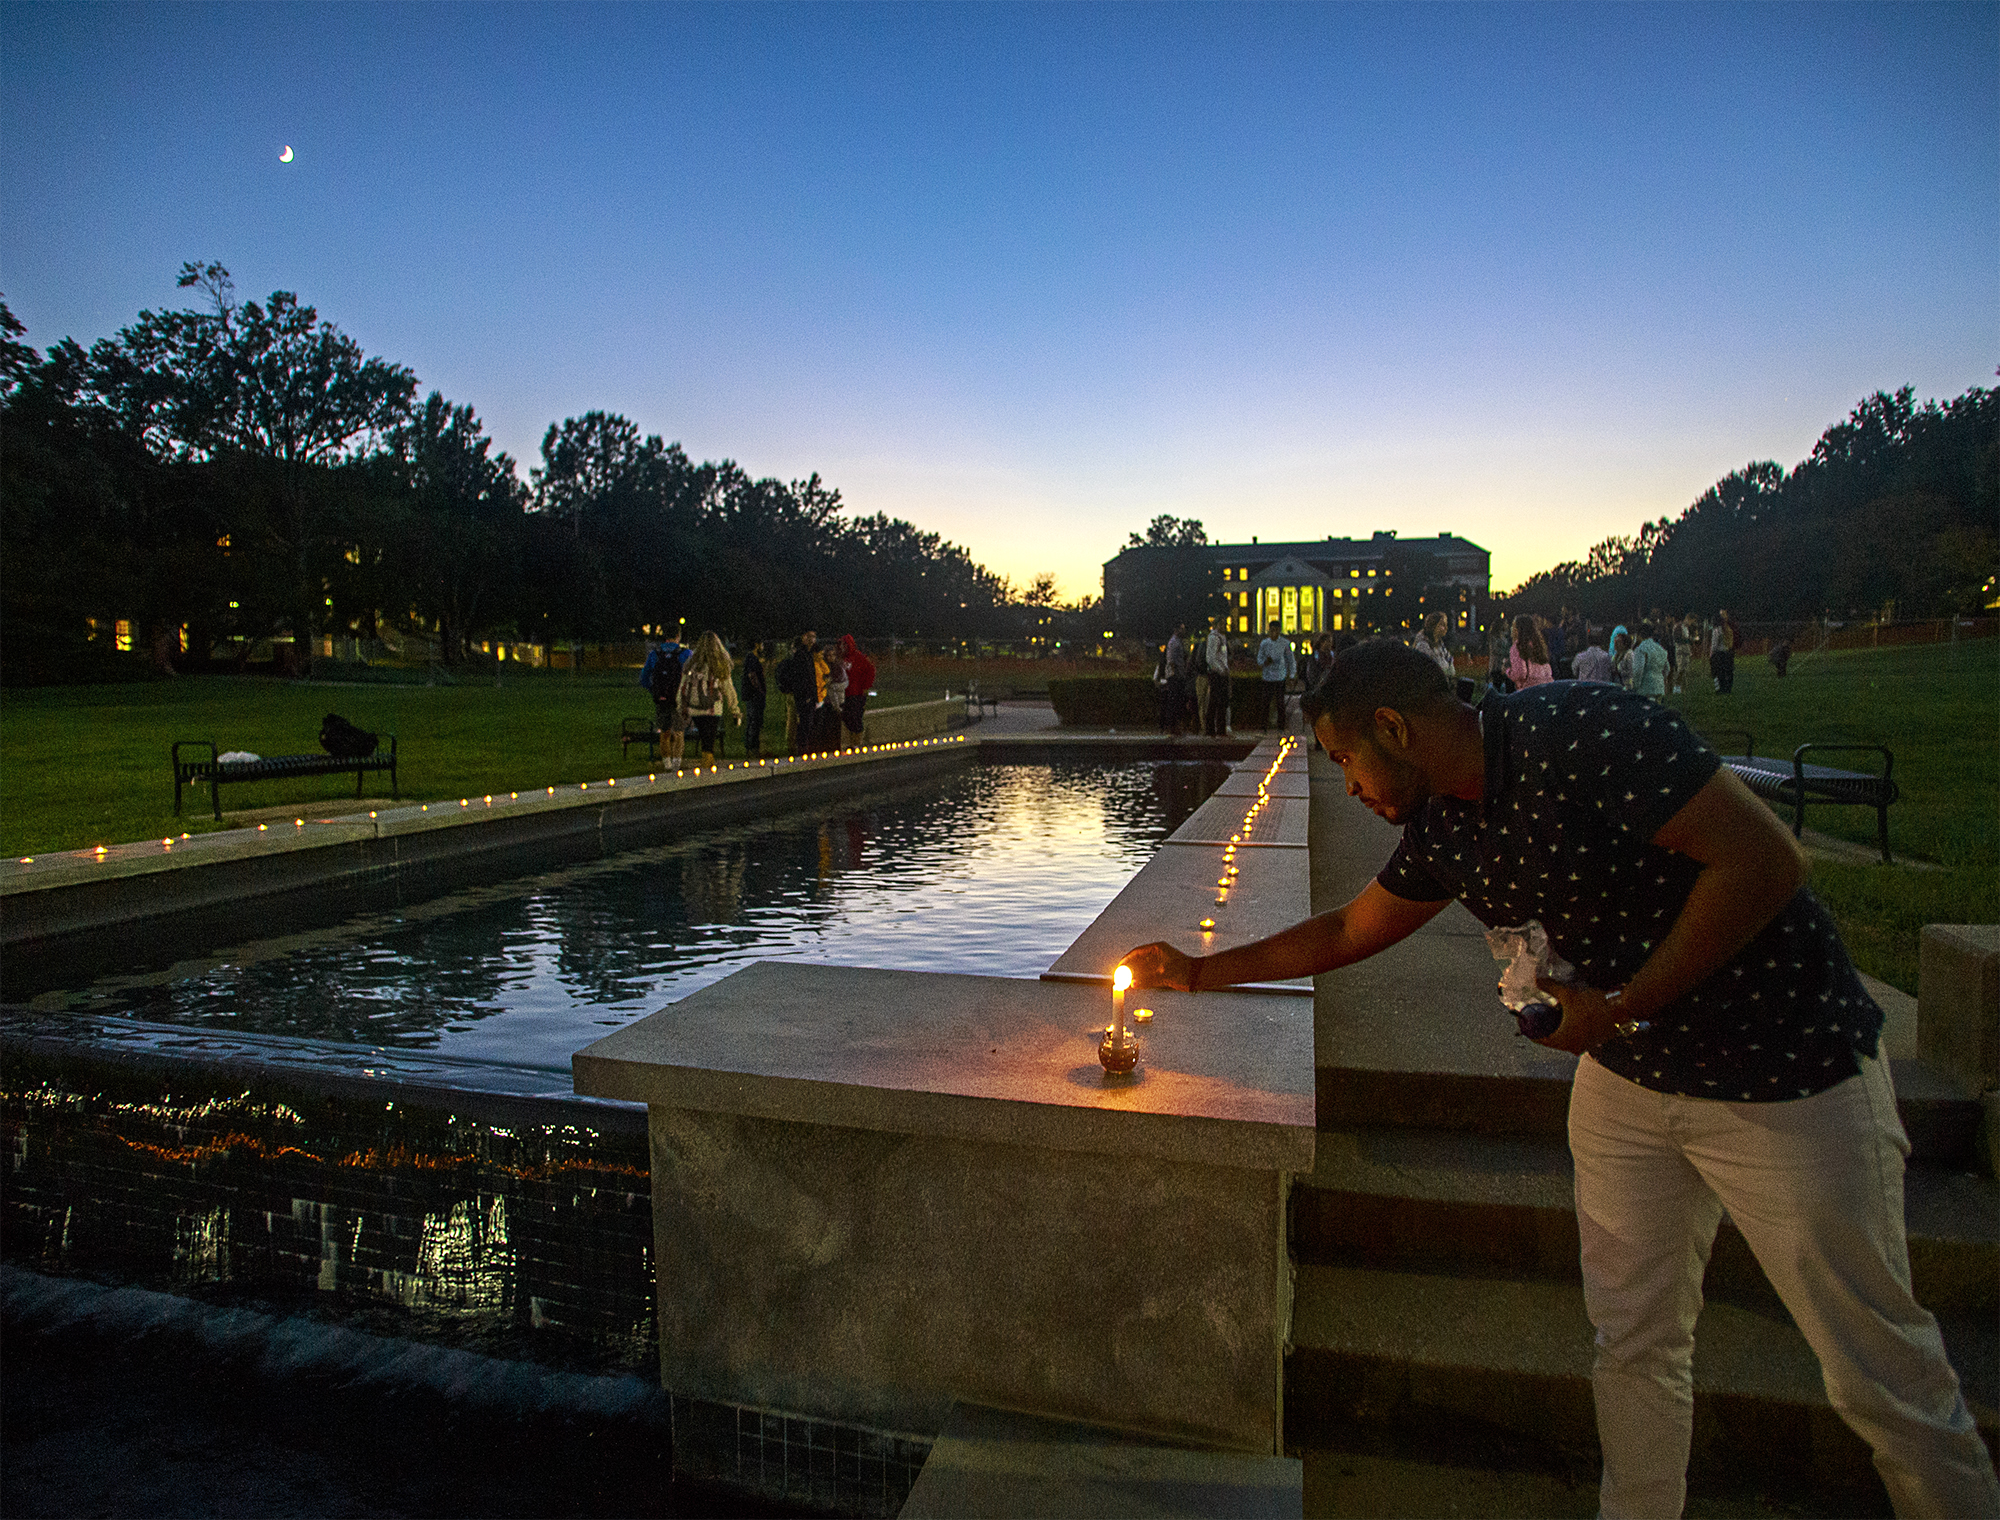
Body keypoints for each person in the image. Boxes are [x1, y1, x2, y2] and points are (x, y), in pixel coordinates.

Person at [1119, 640, 2000, 1520]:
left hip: (1781, 1072)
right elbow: (1351, 928)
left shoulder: (1585, 733)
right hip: (1628, 1087)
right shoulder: (1442, 825)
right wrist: (1199, 971)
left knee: (1879, 1372)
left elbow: (1765, 861)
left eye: (1347, 758)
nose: (1346, 783)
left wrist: (1614, 1006)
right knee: (1635, 1347)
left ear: (1398, 727)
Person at [675, 631, 741, 764]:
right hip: (713, 708)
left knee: (704, 738)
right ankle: (707, 770)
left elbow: (683, 685)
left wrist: (680, 706)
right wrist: (735, 710)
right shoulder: (719, 665)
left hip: (694, 707)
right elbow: (728, 688)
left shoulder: (691, 663)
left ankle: (706, 765)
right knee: (708, 742)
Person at [775, 633, 819, 756]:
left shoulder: (804, 656)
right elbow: (803, 678)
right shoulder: (800, 657)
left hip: (798, 693)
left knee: (794, 722)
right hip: (799, 694)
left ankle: (794, 747)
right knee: (799, 722)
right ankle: (799, 748)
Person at [837, 635, 875, 747]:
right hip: (844, 694)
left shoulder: (858, 657)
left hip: (856, 694)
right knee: (846, 718)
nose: (842, 647)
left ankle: (857, 743)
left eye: (844, 644)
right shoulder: (840, 658)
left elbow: (870, 670)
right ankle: (851, 743)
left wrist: (865, 687)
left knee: (856, 719)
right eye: (841, 644)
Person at [1257, 620, 1295, 730]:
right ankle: (1263, 727)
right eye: (1272, 630)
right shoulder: (1264, 643)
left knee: (1280, 704)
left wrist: (1291, 675)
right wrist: (1265, 662)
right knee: (1265, 704)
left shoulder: (1285, 643)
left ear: (1279, 631)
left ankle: (1281, 727)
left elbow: (1291, 660)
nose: (1274, 633)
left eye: (1276, 630)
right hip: (1267, 677)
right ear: (1269, 631)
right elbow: (1259, 659)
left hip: (1280, 677)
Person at [1203, 618, 1233, 737]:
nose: (1224, 626)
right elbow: (1210, 658)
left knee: (1222, 702)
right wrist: (1221, 669)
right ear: (1216, 625)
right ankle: (1210, 729)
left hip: (1222, 673)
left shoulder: (1222, 638)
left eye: (1225, 624)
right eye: (1221, 624)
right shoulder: (1213, 638)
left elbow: (1222, 656)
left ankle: (1221, 729)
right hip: (1217, 674)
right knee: (1215, 701)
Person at [1506, 614, 1552, 689]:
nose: (1511, 629)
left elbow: (1520, 673)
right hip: (1544, 688)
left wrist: (1508, 671)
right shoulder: (1538, 645)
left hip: (1528, 690)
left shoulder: (1518, 646)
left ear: (1518, 629)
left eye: (1513, 626)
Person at [1163, 624, 1193, 737]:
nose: (1184, 630)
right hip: (1175, 676)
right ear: (1176, 629)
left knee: (1176, 702)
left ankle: (1174, 727)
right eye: (1182, 628)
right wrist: (1175, 674)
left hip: (1177, 675)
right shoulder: (1174, 642)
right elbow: (1172, 660)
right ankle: (1172, 727)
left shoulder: (1177, 642)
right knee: (1174, 702)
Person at [741, 641, 769, 758]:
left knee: (754, 721)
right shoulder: (751, 658)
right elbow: (752, 675)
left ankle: (752, 747)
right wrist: (759, 690)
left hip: (754, 694)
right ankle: (752, 749)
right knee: (754, 721)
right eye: (761, 645)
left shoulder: (751, 658)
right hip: (754, 695)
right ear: (757, 645)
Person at [1630, 623, 1670, 698]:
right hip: (1660, 687)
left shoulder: (1641, 649)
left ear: (1639, 635)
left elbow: (1638, 670)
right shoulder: (1660, 648)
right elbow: (1667, 668)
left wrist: (1635, 686)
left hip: (1646, 688)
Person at [1412, 612, 1456, 680]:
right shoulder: (1423, 646)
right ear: (1433, 626)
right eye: (1442, 624)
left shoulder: (1440, 645)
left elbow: (1450, 664)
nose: (1445, 627)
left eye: (1445, 624)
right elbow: (1427, 671)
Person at [1709, 610, 1737, 695]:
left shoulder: (1717, 630)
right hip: (1728, 652)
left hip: (1719, 654)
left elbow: (1714, 645)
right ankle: (1728, 689)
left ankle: (1721, 689)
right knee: (1728, 672)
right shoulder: (1729, 629)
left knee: (1719, 672)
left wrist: (1711, 654)